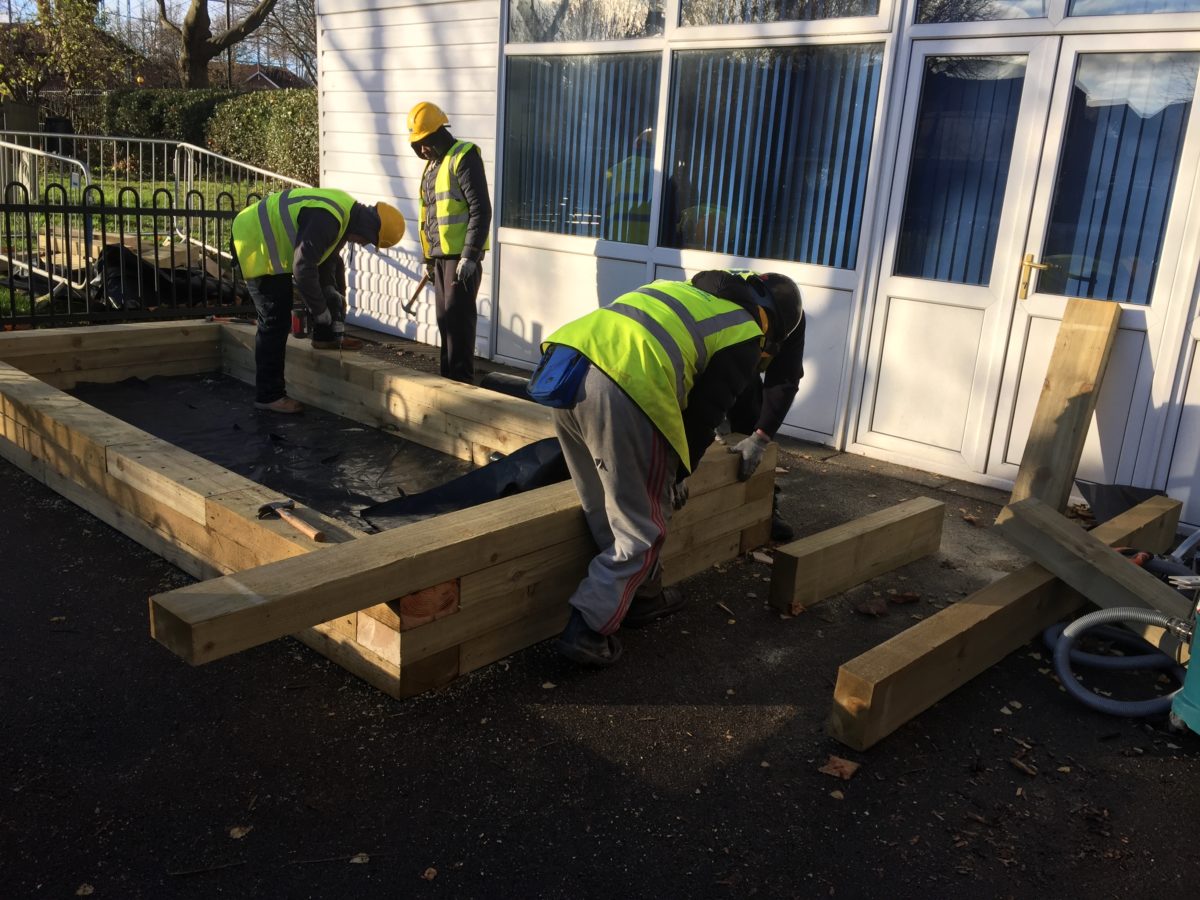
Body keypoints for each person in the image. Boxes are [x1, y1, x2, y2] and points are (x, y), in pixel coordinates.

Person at [529, 271, 803, 666]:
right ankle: (588, 631)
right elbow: (702, 419)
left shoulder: (680, 291)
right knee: (643, 529)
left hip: (565, 366)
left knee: (603, 504)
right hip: (621, 387)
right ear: (768, 322)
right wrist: (674, 474)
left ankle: (642, 596)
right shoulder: (742, 331)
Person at [231, 188, 405, 414]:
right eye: (368, 241)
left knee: (335, 272)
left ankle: (326, 337)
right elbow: (303, 268)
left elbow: (326, 260)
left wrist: (330, 291)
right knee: (275, 320)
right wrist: (319, 309)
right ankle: (269, 395)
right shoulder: (329, 218)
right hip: (255, 241)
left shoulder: (344, 215)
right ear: (367, 228)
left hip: (267, 242)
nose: (363, 245)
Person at [694, 270, 806, 541]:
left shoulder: (790, 319)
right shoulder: (721, 302)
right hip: (702, 359)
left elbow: (784, 379)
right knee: (690, 431)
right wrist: (711, 412)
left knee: (751, 418)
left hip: (745, 368)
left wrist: (761, 437)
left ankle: (764, 505)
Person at [408, 101, 492, 384]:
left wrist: (470, 255)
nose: (422, 150)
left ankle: (461, 385)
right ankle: (447, 384)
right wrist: (429, 261)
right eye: (417, 145)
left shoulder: (464, 157)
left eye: (424, 142)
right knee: (445, 322)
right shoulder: (432, 167)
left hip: (461, 260)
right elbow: (430, 217)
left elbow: (481, 208)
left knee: (459, 325)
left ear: (437, 134)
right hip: (442, 259)